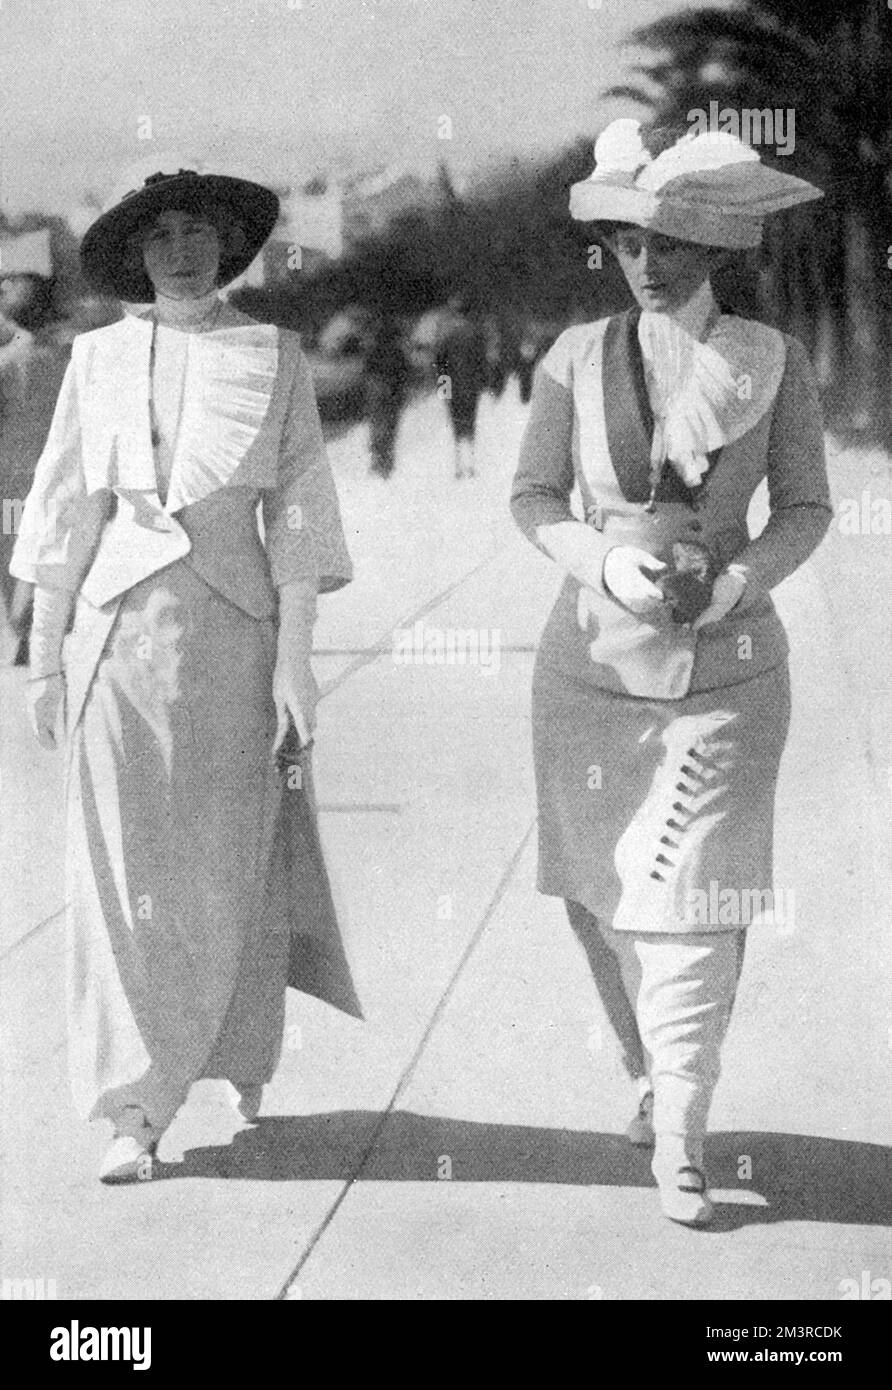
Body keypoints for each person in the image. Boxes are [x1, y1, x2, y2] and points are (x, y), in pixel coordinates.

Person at [10, 160, 360, 1184]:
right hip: (115, 642)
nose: (181, 252)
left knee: (226, 865)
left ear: (228, 244)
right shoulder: (96, 358)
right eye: (159, 236)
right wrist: (43, 659)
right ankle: (137, 1103)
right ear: (134, 253)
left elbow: (298, 513)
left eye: (198, 232)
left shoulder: (274, 354)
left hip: (232, 643)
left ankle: (229, 1048)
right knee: (119, 873)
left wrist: (296, 661)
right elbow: (66, 506)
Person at [511, 119, 831, 1226]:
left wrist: (737, 583)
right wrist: (603, 562)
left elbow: (805, 507)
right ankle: (651, 1073)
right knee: (602, 898)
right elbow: (532, 497)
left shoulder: (770, 358)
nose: (647, 263)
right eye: (630, 242)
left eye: (673, 244)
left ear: (717, 246)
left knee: (696, 901)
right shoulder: (571, 357)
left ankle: (685, 1138)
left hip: (727, 677)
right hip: (588, 671)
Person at [0, 257, 73, 664]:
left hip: (30, 483)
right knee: (39, 550)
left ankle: (31, 629)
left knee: (23, 548)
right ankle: (36, 629)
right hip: (39, 482)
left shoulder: (69, 353)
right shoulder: (67, 355)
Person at [435, 294, 489, 479]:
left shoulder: (447, 335)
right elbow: (482, 361)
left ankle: (458, 465)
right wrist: (483, 383)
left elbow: (440, 363)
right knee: (471, 421)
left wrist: (443, 389)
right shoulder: (475, 333)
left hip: (453, 386)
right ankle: (470, 464)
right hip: (471, 385)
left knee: (456, 424)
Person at [363, 311, 410, 478]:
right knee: (390, 426)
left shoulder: (373, 349)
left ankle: (376, 459)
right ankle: (386, 461)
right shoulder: (399, 351)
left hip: (376, 388)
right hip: (393, 390)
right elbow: (405, 372)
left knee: (376, 424)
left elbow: (366, 370)